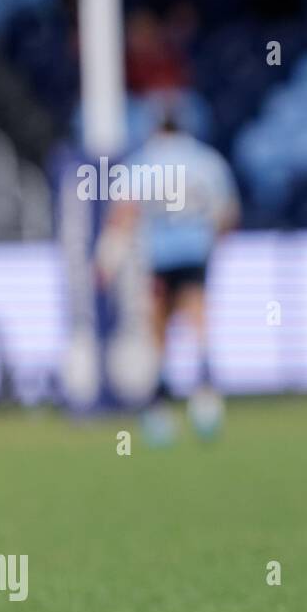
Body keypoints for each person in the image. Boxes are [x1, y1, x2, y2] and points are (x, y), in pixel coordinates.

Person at [100, 113, 240, 442]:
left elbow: (124, 214)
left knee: (160, 329)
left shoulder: (143, 161)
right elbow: (227, 213)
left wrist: (107, 260)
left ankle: (159, 408)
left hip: (160, 256)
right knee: (198, 320)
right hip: (195, 251)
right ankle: (206, 397)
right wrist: (211, 245)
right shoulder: (207, 160)